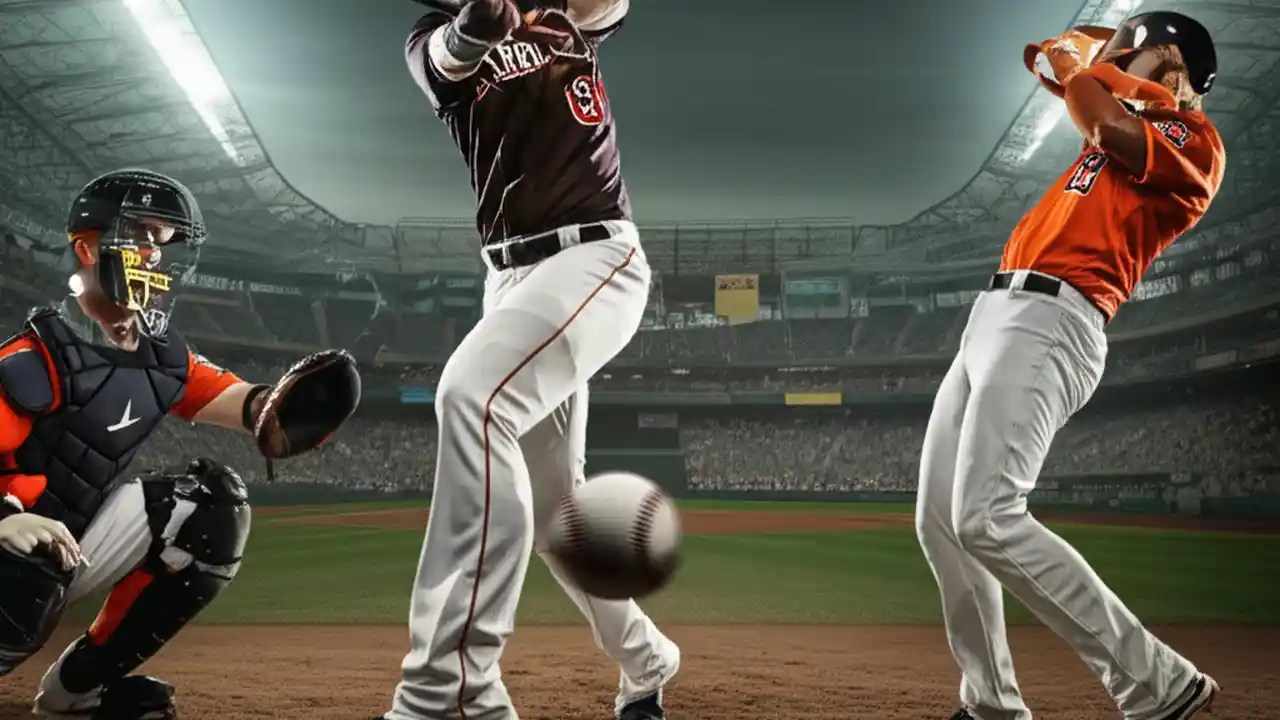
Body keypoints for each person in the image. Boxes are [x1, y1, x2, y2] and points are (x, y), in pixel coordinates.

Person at [915, 12, 1226, 720]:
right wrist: (1089, 66)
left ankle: (1155, 682)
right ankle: (991, 703)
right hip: (995, 313)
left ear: (1170, 61)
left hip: (1057, 318)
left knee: (987, 515)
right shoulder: (1118, 102)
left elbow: (1104, 123)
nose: (1117, 57)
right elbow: (1063, 76)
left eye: (1132, 50)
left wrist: (1092, 70)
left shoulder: (1195, 141)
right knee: (940, 521)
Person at [385, 1, 679, 718]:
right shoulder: (428, 37)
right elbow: (448, 59)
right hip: (510, 279)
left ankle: (451, 691)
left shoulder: (566, 17)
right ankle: (647, 659)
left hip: (594, 255)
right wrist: (479, 20)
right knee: (554, 512)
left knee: (472, 398)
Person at [0, 168, 359, 718]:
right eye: (138, 235)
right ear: (86, 247)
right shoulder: (35, 356)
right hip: (12, 546)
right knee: (21, 568)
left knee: (211, 507)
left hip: (67, 544)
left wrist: (284, 410)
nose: (153, 255)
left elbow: (248, 405)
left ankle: (75, 692)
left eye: (162, 242)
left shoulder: (163, 356)